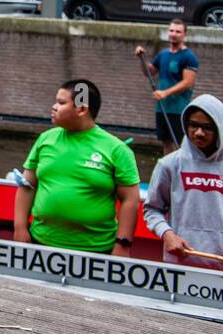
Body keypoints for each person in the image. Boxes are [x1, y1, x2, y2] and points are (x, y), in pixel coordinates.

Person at [14, 79, 140, 255]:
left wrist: (122, 245)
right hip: (40, 242)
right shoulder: (45, 139)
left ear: (81, 109)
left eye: (61, 102)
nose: (54, 107)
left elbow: (130, 201)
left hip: (96, 249)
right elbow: (27, 185)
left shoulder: (117, 150)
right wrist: (20, 227)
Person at [143, 94, 223, 272]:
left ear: (220, 128)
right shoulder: (168, 165)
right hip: (177, 266)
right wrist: (167, 234)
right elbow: (152, 209)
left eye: (207, 127)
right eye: (193, 125)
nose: (198, 132)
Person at [136, 19, 199, 155]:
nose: (174, 34)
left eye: (178, 31)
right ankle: (168, 172)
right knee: (166, 142)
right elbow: (150, 72)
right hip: (162, 107)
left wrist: (165, 93)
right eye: (171, 31)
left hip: (178, 109)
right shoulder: (163, 54)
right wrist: (142, 58)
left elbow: (187, 82)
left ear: (184, 34)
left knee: (179, 143)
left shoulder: (189, 57)